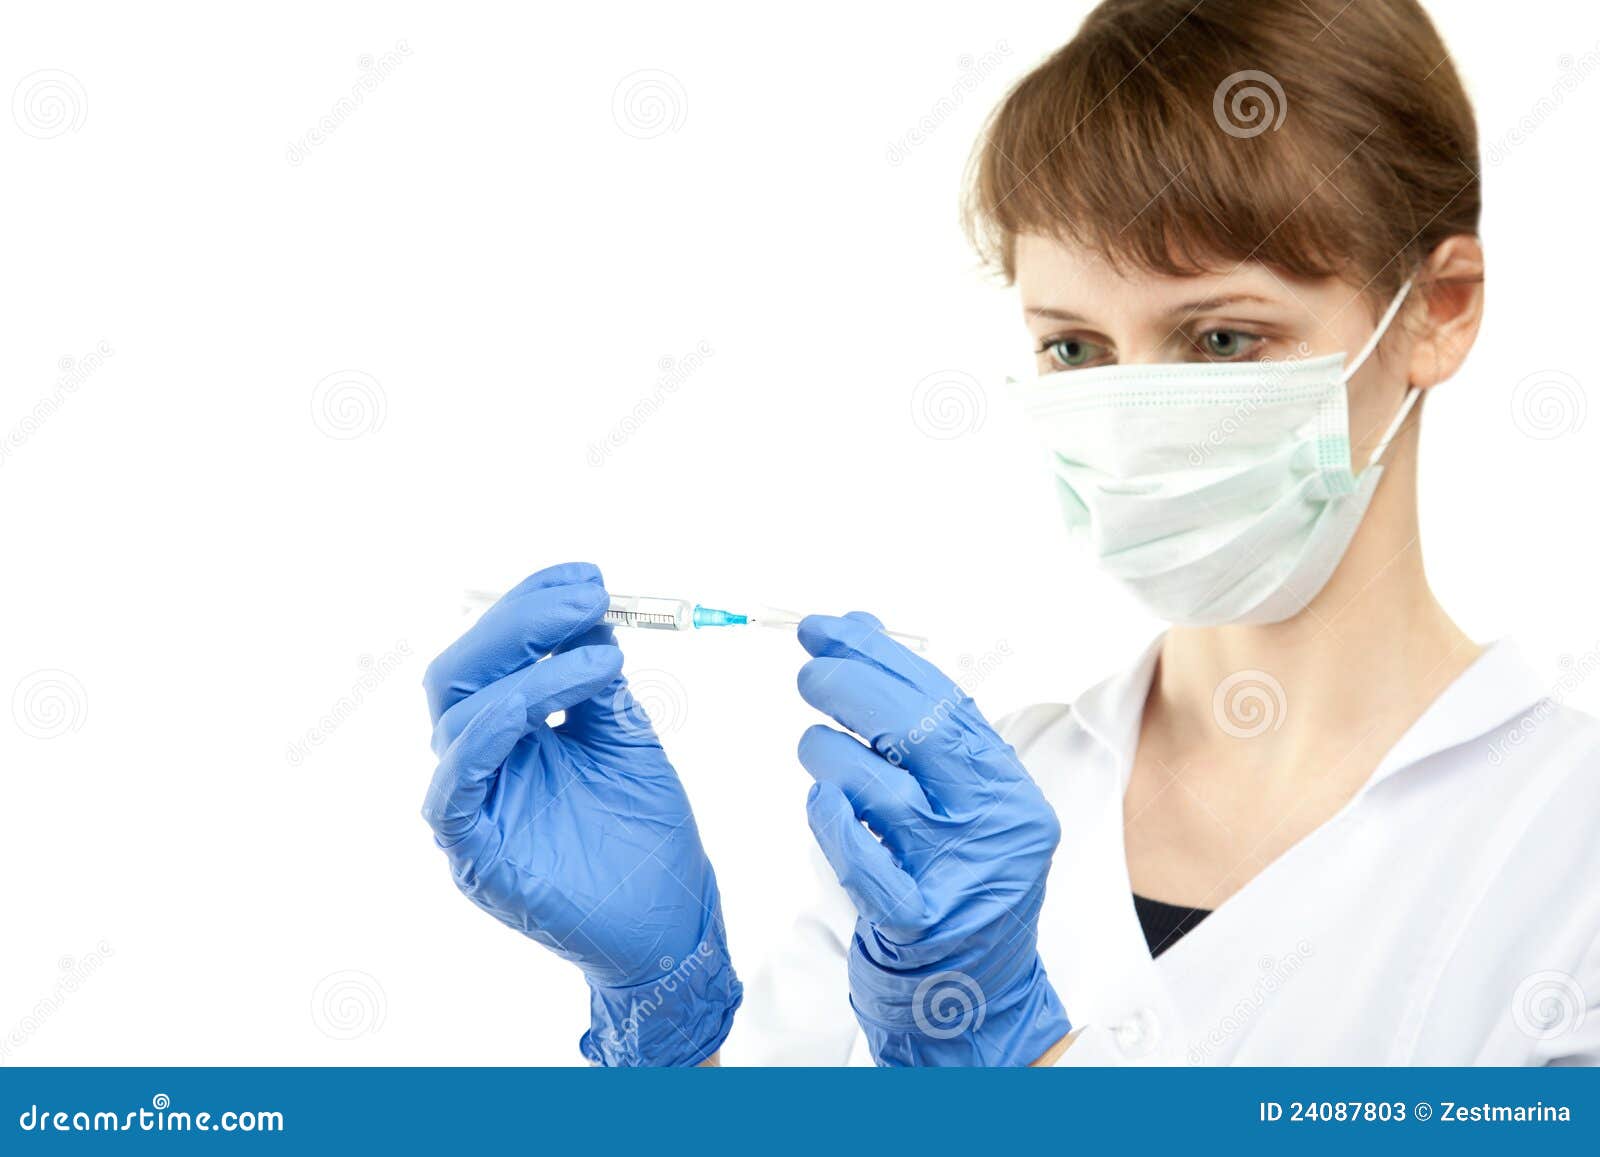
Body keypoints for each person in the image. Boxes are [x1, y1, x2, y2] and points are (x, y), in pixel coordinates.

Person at [420, 0, 1600, 1066]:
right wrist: (663, 1026)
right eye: (1074, 349)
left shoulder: (1569, 854)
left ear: (1439, 310)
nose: (1132, 415)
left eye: (1223, 338)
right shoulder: (948, 822)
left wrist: (1019, 1068)